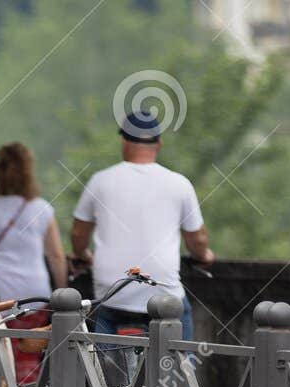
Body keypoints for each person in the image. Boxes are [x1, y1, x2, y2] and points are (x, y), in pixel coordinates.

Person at [70, 110, 213, 345]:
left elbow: (78, 233)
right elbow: (197, 241)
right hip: (163, 297)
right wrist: (204, 255)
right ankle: (181, 371)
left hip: (111, 294)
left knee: (102, 370)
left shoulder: (100, 180)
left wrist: (82, 255)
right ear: (158, 143)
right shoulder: (179, 184)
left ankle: (106, 378)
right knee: (179, 357)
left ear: (124, 141)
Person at [0, 143, 67, 387]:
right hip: (33, 296)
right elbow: (56, 256)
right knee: (29, 356)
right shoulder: (41, 209)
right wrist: (63, 294)